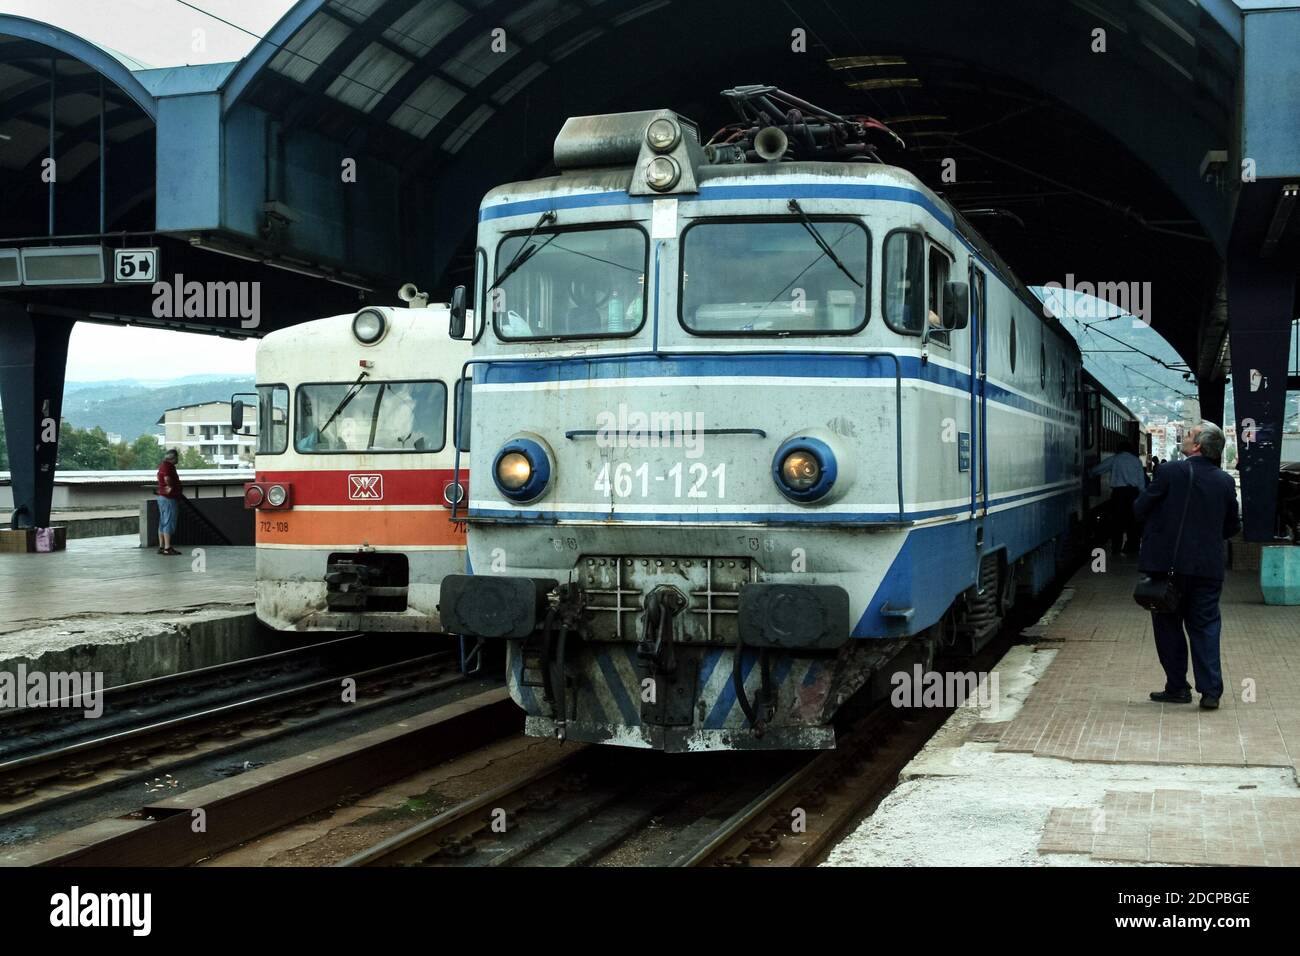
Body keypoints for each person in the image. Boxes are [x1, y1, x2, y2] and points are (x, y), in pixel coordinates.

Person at [1133, 422, 1240, 710]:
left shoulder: (1169, 472)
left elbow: (1140, 508)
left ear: (1197, 446)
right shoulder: (1225, 481)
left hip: (1169, 568)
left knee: (1168, 625)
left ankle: (1177, 687)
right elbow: (1232, 526)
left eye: (1189, 434)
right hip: (1208, 569)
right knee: (1205, 626)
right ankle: (1211, 691)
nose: (1184, 436)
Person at [1089, 441, 1146, 554]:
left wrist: (1089, 473)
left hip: (1118, 494)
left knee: (1117, 522)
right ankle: (1132, 547)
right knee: (1132, 522)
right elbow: (1141, 482)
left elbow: (1098, 469)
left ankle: (1116, 548)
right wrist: (1142, 496)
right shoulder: (1136, 461)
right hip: (1133, 493)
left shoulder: (1116, 459)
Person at [156, 449, 183, 555]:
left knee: (163, 522)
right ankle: (167, 548)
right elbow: (167, 478)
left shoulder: (162, 465)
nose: (178, 459)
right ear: (173, 458)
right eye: (177, 457)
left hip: (162, 497)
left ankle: (161, 546)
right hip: (169, 498)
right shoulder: (168, 466)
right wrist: (171, 487)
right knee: (169, 521)